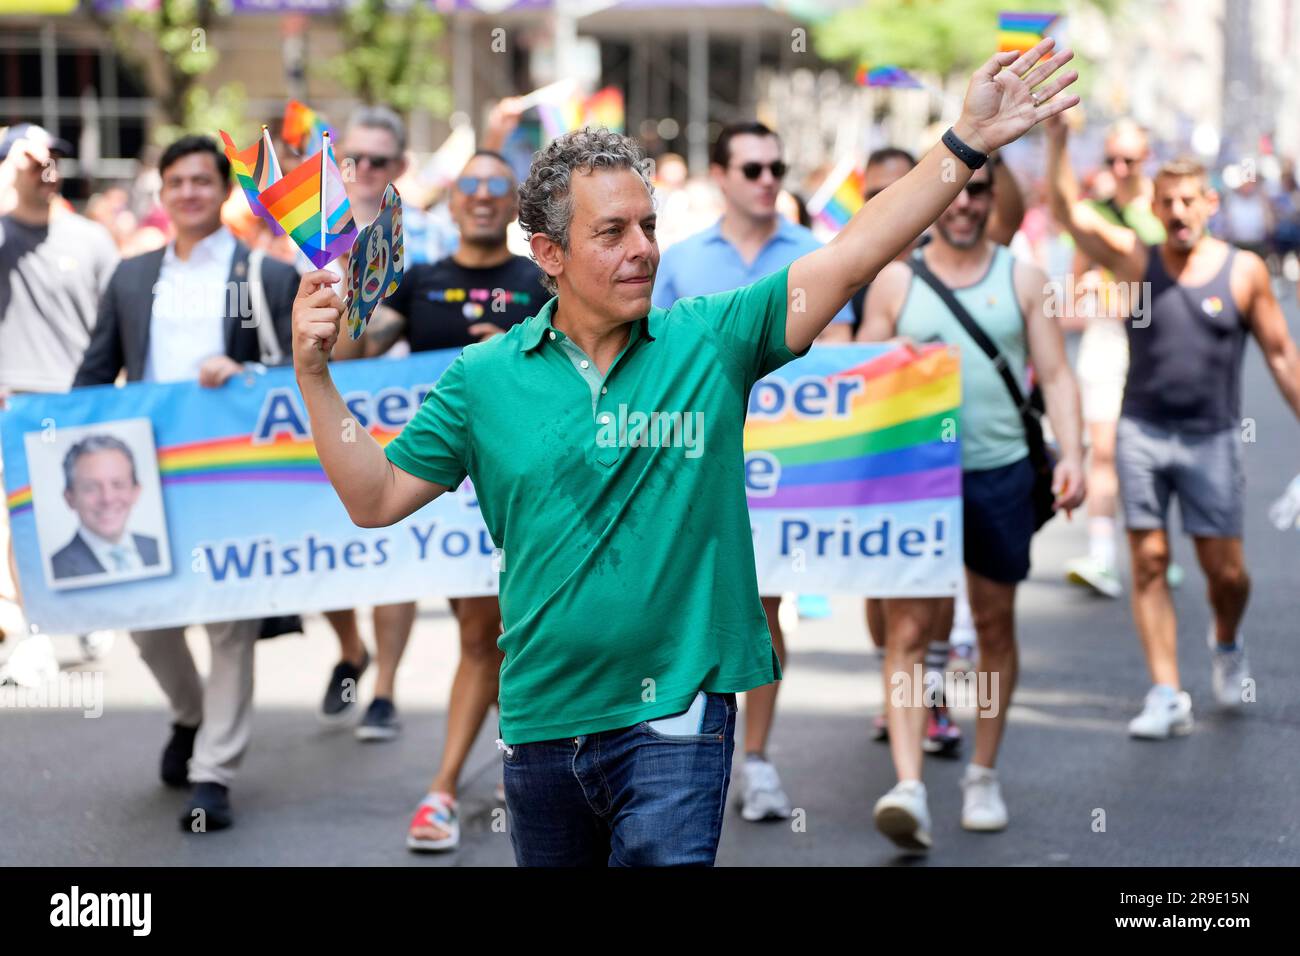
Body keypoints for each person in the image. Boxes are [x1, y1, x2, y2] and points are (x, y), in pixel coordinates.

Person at [291, 40, 1078, 866]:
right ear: (549, 254)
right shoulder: (482, 378)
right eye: (613, 232)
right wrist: (313, 374)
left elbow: (850, 257)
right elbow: (374, 497)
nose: (643, 248)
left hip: (678, 714)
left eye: (650, 226)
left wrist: (963, 144)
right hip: (539, 721)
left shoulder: (712, 340)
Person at [1045, 115, 1300, 739]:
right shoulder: (1138, 262)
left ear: (1210, 203)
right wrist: (1056, 139)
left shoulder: (1243, 273)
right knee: (1151, 560)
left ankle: (1226, 639)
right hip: (1142, 432)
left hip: (1212, 437)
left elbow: (1281, 356)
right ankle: (1165, 691)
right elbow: (1068, 213)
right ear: (1154, 210)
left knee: (1228, 574)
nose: (1180, 212)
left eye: (1190, 201)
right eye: (1168, 204)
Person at [858, 155, 1086, 851]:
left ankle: (982, 773)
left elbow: (1054, 372)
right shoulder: (896, 280)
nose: (963, 205)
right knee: (906, 632)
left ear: (992, 197)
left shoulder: (1023, 277)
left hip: (998, 473)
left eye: (978, 191)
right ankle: (908, 785)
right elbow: (857, 377)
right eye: (954, 191)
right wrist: (883, 355)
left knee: (993, 625)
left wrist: (1074, 453)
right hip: (913, 482)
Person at [74, 134, 298, 831]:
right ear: (162, 193)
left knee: (229, 627)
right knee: (144, 618)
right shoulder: (132, 277)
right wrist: (42, 429)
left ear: (222, 191)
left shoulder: (264, 277)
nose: (190, 192)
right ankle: (191, 713)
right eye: (178, 182)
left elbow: (298, 375)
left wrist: (247, 376)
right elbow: (94, 372)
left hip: (228, 476)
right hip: (140, 474)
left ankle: (213, 772)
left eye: (204, 180)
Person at [333, 149, 548, 850]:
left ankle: (445, 787)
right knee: (485, 636)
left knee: (482, 638)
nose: (482, 197)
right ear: (451, 202)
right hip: (438, 493)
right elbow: (351, 357)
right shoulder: (417, 281)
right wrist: (340, 300)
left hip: (521, 492)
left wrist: (516, 354)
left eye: (496, 186)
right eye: (470, 186)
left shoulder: (541, 282)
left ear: (515, 202)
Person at [650, 120, 856, 823]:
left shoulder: (814, 256)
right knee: (681, 603)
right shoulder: (676, 261)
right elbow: (650, 361)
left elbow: (849, 357)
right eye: (753, 168)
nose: (770, 179)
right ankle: (673, 747)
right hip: (698, 466)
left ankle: (757, 759)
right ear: (720, 177)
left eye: (777, 166)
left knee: (764, 610)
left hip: (790, 468)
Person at [317, 105, 459, 738]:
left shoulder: (429, 239)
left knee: (391, 546)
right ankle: (351, 647)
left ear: (401, 167)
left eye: (378, 160)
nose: (364, 170)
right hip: (324, 410)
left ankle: (384, 690)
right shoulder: (309, 233)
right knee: (317, 554)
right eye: (354, 159)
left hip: (402, 417)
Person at [0, 122, 119, 670]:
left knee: (85, 510)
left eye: (55, 158)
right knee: (23, 522)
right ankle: (36, 628)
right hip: (14, 402)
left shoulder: (90, 238)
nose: (47, 167)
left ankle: (90, 613)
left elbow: (116, 323)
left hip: (79, 400)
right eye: (34, 158)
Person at [1061, 120, 1166, 599]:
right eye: (1112, 160)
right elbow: (1072, 288)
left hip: (1160, 341)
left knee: (1153, 453)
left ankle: (1154, 550)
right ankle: (1102, 557)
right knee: (1102, 449)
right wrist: (1085, 296)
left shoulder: (1167, 209)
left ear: (1147, 160)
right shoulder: (1091, 212)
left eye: (1130, 160)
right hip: (1106, 340)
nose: (1120, 169)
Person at [52, 435, 161, 580]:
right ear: (70, 498)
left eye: (118, 484)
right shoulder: (57, 570)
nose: (107, 499)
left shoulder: (159, 550)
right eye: (90, 488)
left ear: (136, 491)